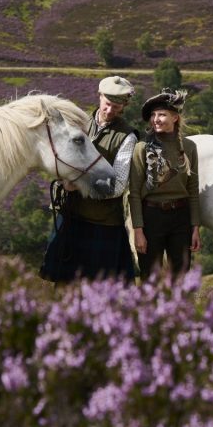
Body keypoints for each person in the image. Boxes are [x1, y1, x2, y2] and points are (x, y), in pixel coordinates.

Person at [42, 76, 139, 282]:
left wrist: (76, 185)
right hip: (71, 217)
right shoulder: (77, 125)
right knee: (63, 284)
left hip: (103, 223)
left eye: (116, 106)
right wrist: (62, 180)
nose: (110, 110)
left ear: (124, 106)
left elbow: (119, 185)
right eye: (107, 104)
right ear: (99, 96)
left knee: (100, 291)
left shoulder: (127, 137)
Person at [128, 88, 201, 280]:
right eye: (153, 115)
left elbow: (193, 190)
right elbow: (134, 193)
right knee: (149, 276)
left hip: (181, 217)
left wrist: (195, 227)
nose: (155, 119)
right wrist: (138, 230)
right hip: (151, 216)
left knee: (181, 276)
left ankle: (179, 311)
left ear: (175, 117)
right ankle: (148, 311)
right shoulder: (141, 149)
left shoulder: (189, 147)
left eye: (161, 114)